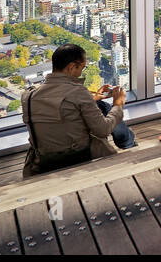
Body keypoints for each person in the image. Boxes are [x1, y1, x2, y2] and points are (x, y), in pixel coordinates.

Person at [21, 44, 135, 177]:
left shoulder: (28, 96)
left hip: (42, 161)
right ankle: (129, 144)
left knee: (99, 104)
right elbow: (103, 129)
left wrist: (91, 99)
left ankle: (128, 141)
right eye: (82, 67)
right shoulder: (78, 93)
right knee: (105, 107)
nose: (82, 72)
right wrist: (118, 104)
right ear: (71, 67)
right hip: (78, 157)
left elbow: (57, 109)